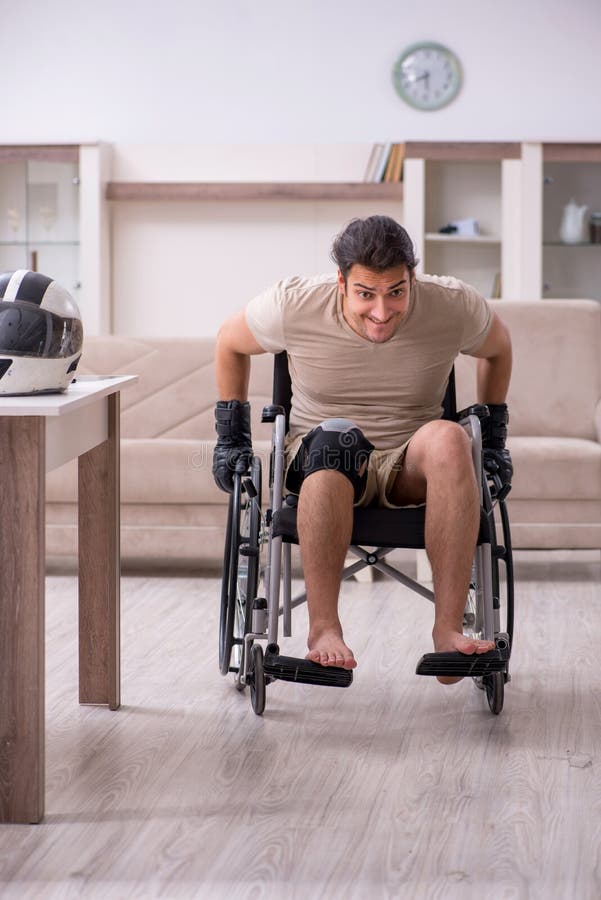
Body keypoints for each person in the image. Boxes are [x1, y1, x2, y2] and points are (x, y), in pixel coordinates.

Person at [212, 215, 512, 685]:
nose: (381, 310)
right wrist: (231, 437)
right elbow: (229, 342)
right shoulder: (294, 304)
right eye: (365, 294)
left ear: (413, 278)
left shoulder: (452, 305)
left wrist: (493, 438)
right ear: (341, 282)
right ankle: (324, 630)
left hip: (407, 460)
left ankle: (449, 632)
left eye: (396, 291)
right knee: (335, 439)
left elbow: (499, 347)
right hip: (320, 459)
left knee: (452, 436)